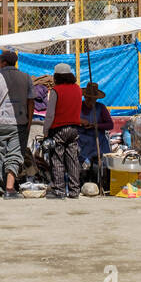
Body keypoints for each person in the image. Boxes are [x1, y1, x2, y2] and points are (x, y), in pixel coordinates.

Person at [0, 50, 32, 199]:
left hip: (0, 122)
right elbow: (31, 101)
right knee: (15, 154)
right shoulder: (26, 77)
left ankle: (5, 186)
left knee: (1, 155)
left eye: (0, 61)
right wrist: (29, 121)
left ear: (4, 63)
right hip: (19, 122)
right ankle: (9, 189)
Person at [42, 63, 83, 199]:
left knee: (57, 159)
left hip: (59, 129)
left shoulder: (56, 90)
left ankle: (59, 190)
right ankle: (74, 190)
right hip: (74, 129)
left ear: (57, 76)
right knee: (73, 159)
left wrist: (46, 130)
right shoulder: (78, 89)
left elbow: (50, 114)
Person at [78, 82, 112, 187]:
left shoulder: (101, 108)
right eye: (88, 98)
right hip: (82, 142)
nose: (90, 101)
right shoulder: (78, 106)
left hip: (98, 142)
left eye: (93, 99)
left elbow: (110, 124)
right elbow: (71, 120)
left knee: (100, 166)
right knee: (82, 167)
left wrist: (95, 125)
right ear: (85, 96)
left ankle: (101, 184)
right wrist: (80, 121)